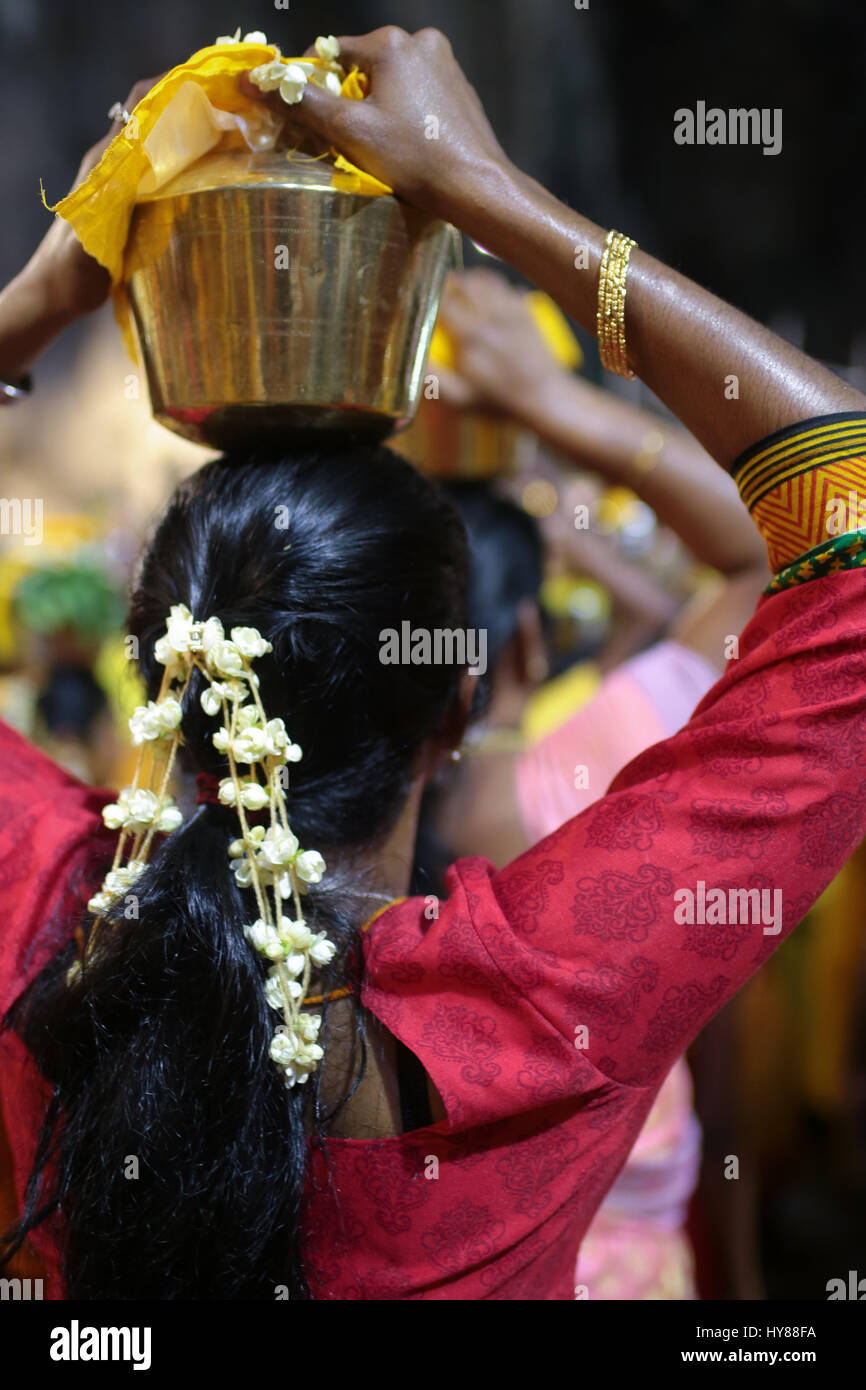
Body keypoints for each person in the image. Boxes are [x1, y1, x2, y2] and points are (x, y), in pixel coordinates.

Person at [1, 27, 865, 1301]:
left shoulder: (47, 935)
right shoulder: (538, 1008)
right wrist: (487, 192)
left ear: (163, 683)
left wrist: (40, 302)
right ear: (456, 698)